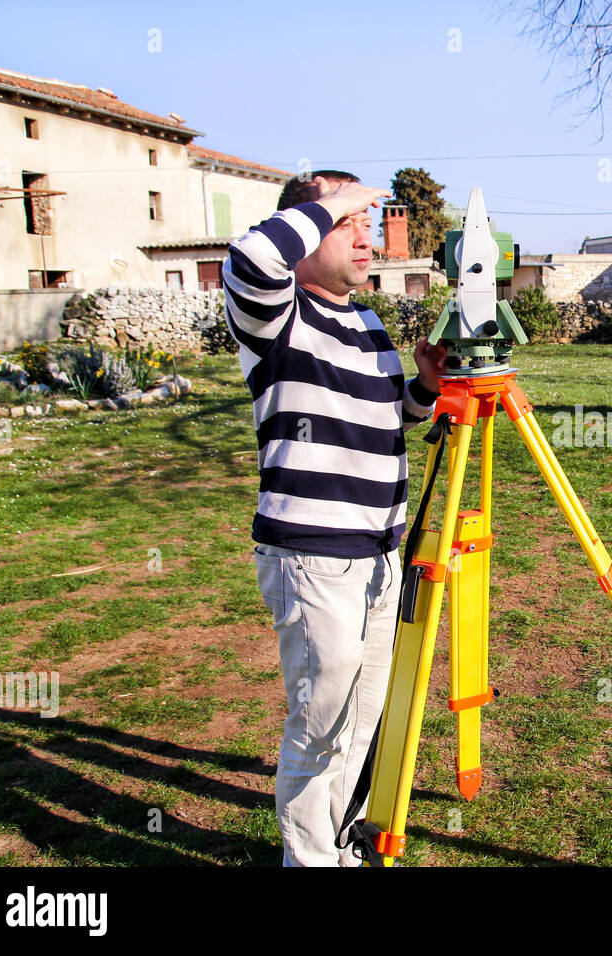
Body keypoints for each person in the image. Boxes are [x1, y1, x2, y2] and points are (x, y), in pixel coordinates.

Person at [223, 171, 448, 866]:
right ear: (306, 231)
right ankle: (309, 860)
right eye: (347, 220)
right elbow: (249, 258)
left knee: (361, 719)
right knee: (320, 721)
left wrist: (426, 389)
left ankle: (339, 847)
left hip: (379, 549)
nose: (365, 233)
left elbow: (387, 421)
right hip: (312, 553)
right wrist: (335, 202)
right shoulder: (275, 314)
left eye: (366, 219)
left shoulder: (365, 319)